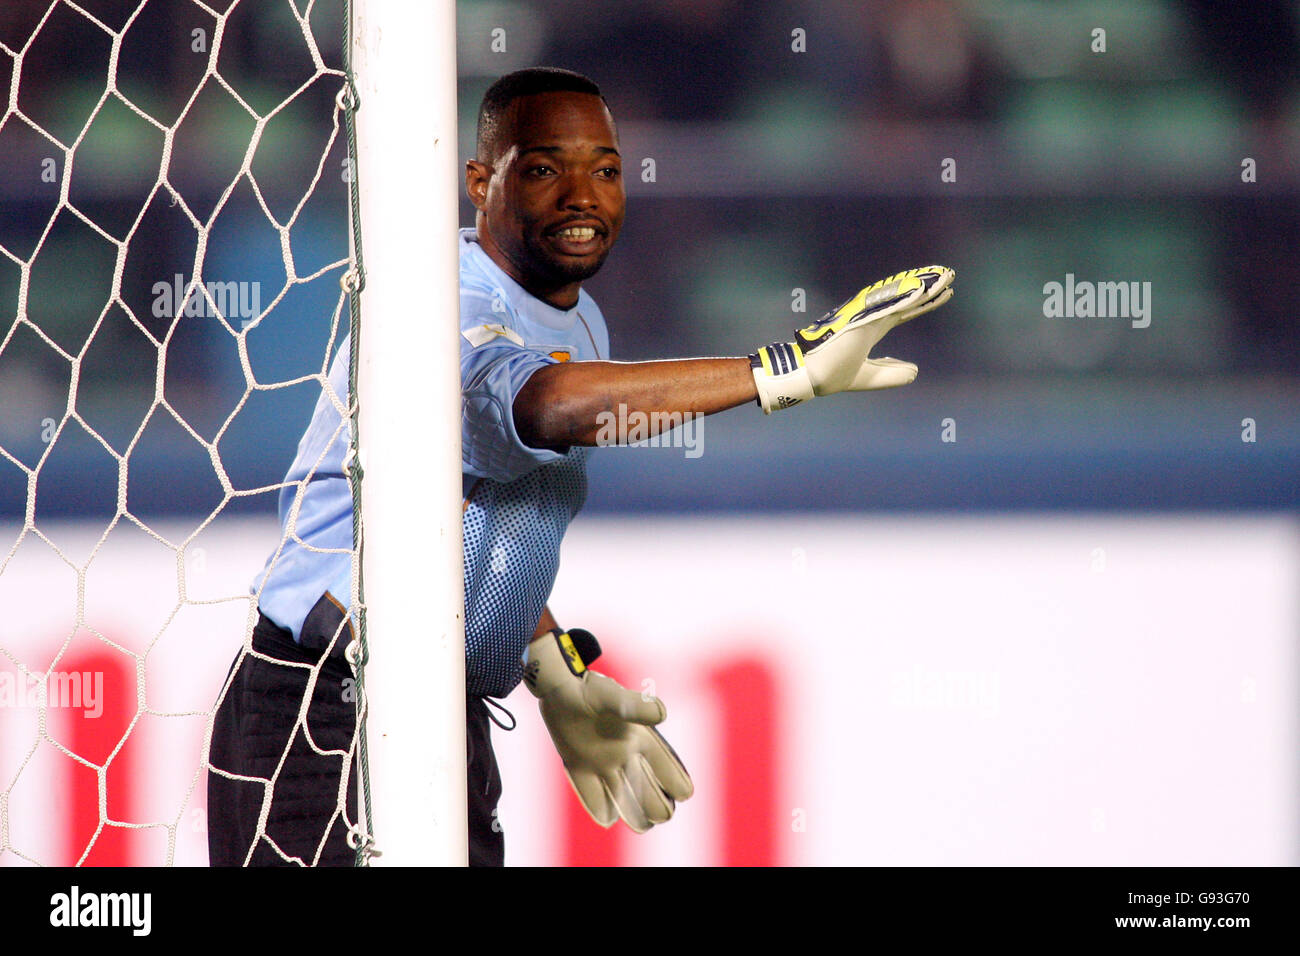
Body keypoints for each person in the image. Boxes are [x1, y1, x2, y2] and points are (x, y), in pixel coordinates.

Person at [206, 67, 955, 867]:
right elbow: (538, 406)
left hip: (434, 703)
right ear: (480, 182)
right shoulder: (440, 300)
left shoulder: (576, 317)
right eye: (543, 168)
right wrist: (780, 370)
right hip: (322, 706)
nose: (581, 196)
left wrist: (552, 667)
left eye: (605, 170)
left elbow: (472, 511)